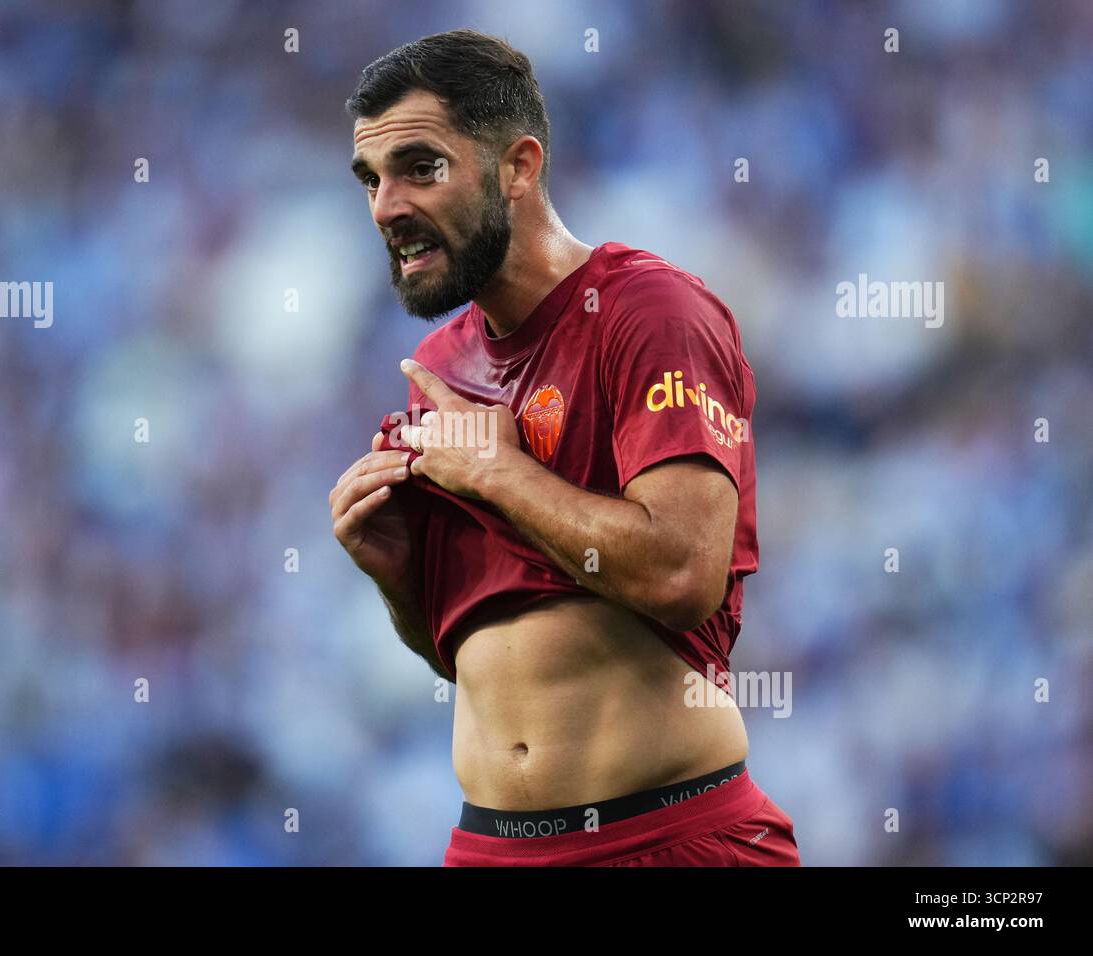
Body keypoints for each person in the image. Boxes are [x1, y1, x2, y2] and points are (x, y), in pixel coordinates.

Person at [330, 29, 799, 866]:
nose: (385, 206)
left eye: (420, 168)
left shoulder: (651, 314)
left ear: (519, 167)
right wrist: (402, 580)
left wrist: (500, 475)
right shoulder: (439, 369)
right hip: (488, 846)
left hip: (667, 835)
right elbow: (483, 663)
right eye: (371, 179)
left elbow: (681, 575)